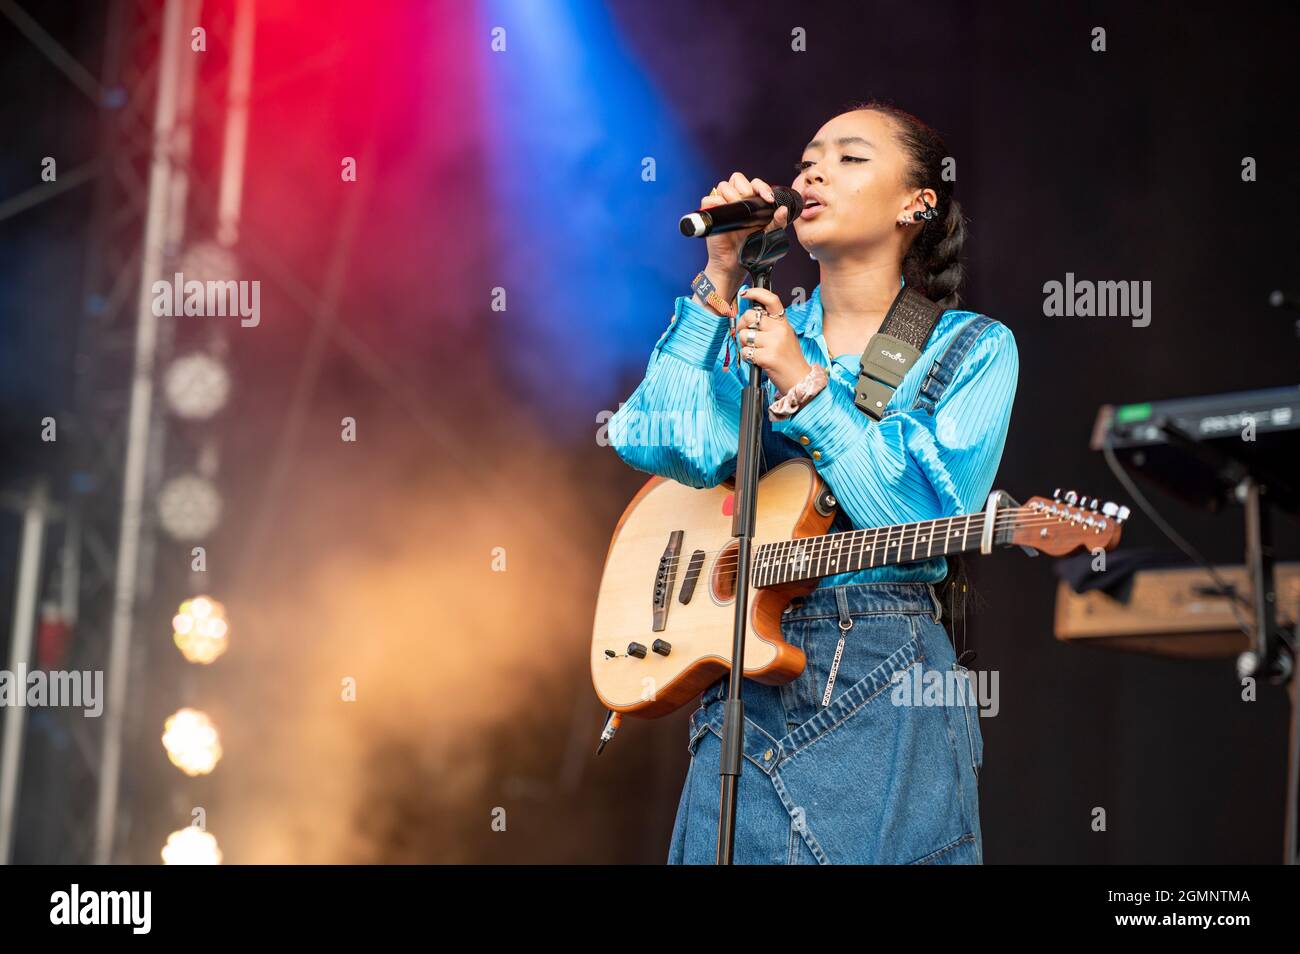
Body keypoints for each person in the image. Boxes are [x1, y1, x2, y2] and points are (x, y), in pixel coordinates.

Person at [608, 101, 1019, 864]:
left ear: (916, 203)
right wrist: (718, 278)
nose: (813, 172)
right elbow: (655, 439)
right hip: (747, 675)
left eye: (849, 157)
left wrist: (806, 386)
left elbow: (914, 517)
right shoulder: (762, 328)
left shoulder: (970, 348)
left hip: (886, 674)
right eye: (806, 160)